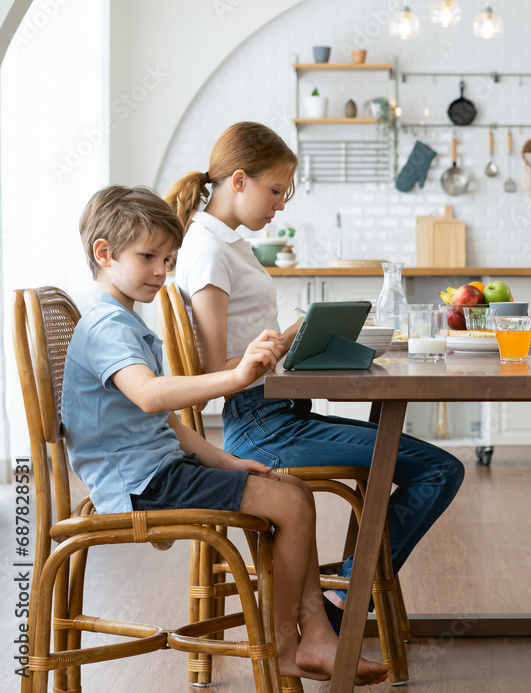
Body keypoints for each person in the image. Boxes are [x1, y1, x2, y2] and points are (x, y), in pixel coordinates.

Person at [62, 185, 388, 685]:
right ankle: (287, 646)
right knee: (293, 501)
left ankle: (317, 637)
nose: (161, 271)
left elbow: (168, 425)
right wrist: (236, 376)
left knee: (293, 491)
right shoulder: (107, 326)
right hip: (141, 483)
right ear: (104, 253)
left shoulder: (123, 321)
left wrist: (226, 460)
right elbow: (150, 397)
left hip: (156, 472)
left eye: (167, 260)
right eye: (147, 257)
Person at [166, 122, 465, 625]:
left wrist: (292, 337)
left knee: (430, 465)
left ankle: (346, 592)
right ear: (238, 181)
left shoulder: (227, 244)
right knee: (439, 470)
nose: (280, 205)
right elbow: (211, 371)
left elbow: (244, 351)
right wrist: (281, 345)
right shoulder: (211, 251)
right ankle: (344, 599)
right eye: (275, 190)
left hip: (276, 414)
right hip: (261, 427)